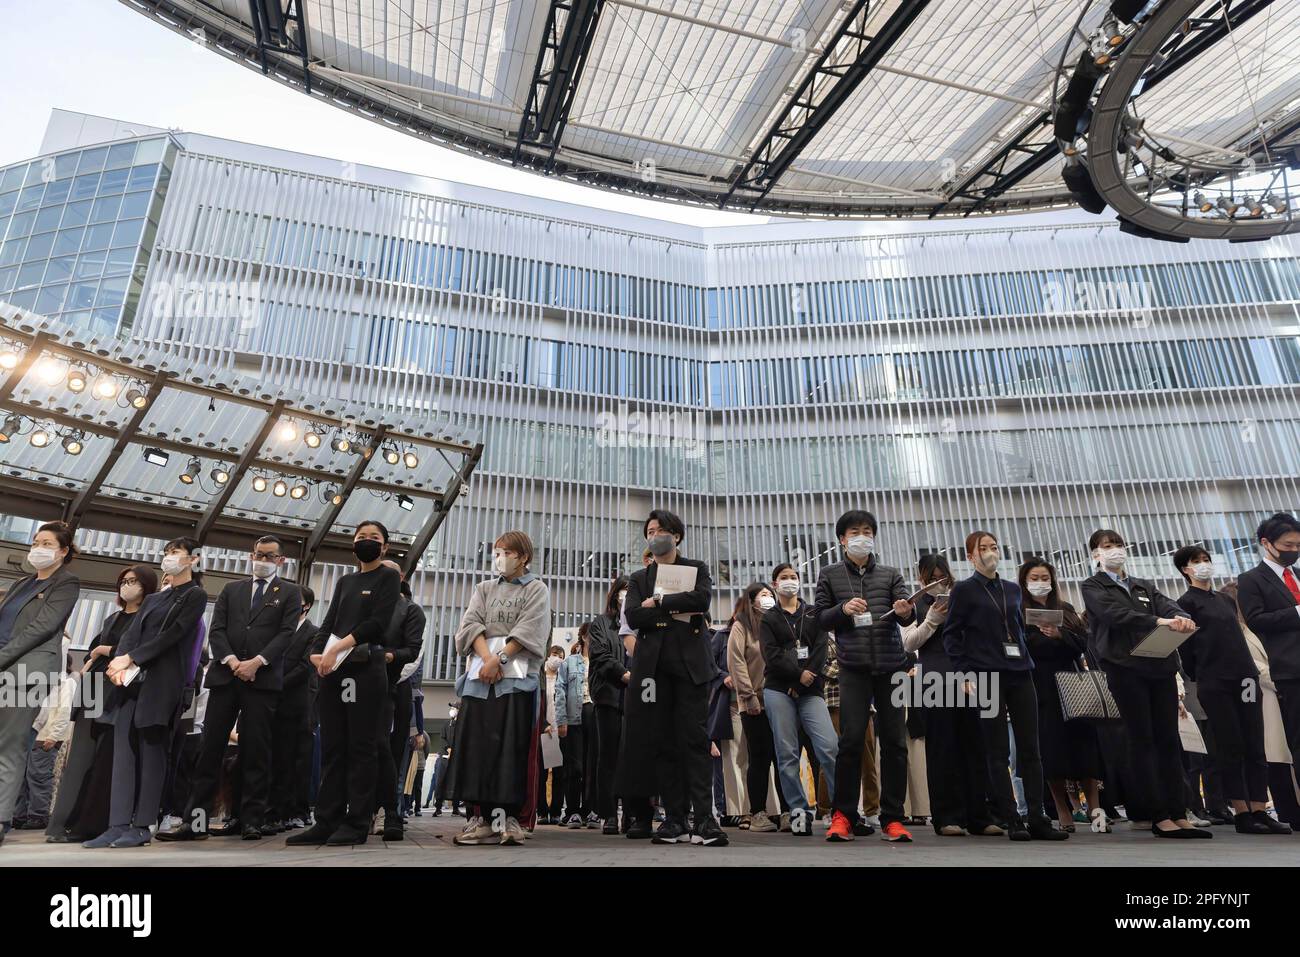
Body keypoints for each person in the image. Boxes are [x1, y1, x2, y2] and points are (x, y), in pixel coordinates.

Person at [158, 535, 303, 842]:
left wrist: (257, 662)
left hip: (261, 681)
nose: (261, 560)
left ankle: (250, 820)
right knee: (209, 750)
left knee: (255, 752)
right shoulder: (231, 589)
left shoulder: (289, 592)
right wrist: (233, 660)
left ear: (280, 560)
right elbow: (217, 630)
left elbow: (287, 633)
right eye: (257, 554)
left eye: (268, 556)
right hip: (226, 676)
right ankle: (194, 822)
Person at [1079, 528, 1207, 839]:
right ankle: (1157, 814)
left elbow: (1168, 606)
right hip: (1124, 668)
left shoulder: (1143, 585)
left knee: (1168, 740)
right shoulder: (1092, 586)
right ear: (1095, 554)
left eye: (1118, 544)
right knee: (1142, 740)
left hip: (1159, 665)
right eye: (1107, 546)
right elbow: (1114, 615)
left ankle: (1179, 811)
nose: (1115, 550)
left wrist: (1179, 617)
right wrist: (1157, 621)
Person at [944, 531, 1067, 841]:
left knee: (1031, 748)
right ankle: (1012, 819)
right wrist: (965, 673)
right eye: (982, 548)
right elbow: (951, 635)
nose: (990, 552)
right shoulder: (963, 590)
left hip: (1020, 671)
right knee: (998, 751)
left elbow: (1015, 628)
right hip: (985, 675)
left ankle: (1038, 816)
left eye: (994, 547)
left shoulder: (1013, 589)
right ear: (971, 556)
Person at [86, 537, 207, 848]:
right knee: (123, 753)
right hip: (131, 681)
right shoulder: (154, 600)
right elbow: (130, 633)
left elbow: (174, 634)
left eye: (176, 553)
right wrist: (118, 663)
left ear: (193, 560)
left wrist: (132, 657)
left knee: (152, 755)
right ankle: (117, 824)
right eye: (167, 553)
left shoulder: (195, 595)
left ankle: (142, 825)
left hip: (163, 683)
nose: (169, 558)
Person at [287, 521, 401, 846]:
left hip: (365, 669)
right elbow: (330, 620)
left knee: (362, 747)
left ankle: (357, 821)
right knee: (333, 747)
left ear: (385, 546)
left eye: (374, 538)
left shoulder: (388, 577)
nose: (366, 542)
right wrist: (315, 651)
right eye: (361, 537)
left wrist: (338, 646)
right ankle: (326, 820)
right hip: (333, 671)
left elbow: (376, 624)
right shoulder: (346, 580)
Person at [617, 509, 726, 846]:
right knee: (663, 743)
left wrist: (660, 602)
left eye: (661, 529)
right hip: (654, 670)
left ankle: (704, 820)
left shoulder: (696, 569)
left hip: (691, 666)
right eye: (650, 530)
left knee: (695, 742)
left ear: (676, 535)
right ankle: (674, 820)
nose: (655, 535)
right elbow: (634, 615)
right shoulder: (638, 578)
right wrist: (675, 609)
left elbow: (702, 599)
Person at [814, 509, 915, 843]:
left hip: (890, 666)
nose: (862, 536)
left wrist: (906, 610)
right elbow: (821, 619)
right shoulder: (829, 574)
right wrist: (843, 610)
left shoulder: (889, 574)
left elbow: (905, 612)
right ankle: (843, 815)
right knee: (851, 741)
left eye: (868, 530)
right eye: (855, 531)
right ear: (842, 539)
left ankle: (892, 817)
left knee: (896, 743)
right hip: (853, 667)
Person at [1174, 546, 1289, 834]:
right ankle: (1241, 811)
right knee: (1231, 745)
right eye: (1195, 562)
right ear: (1185, 570)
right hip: (1215, 681)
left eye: (1206, 560)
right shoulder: (1186, 602)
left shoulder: (1226, 600)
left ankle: (1260, 808)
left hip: (1246, 678)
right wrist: (1201, 672)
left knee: (1254, 743)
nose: (1203, 565)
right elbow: (1186, 651)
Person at [446, 530, 551, 847]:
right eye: (497, 552)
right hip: (481, 678)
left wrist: (501, 658)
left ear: (523, 557)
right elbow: (470, 624)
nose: (500, 557)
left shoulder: (536, 589)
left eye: (507, 552)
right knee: (479, 749)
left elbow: (530, 628)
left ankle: (511, 820)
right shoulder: (483, 588)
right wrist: (487, 659)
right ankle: (481, 819)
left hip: (517, 681)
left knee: (512, 749)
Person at [48, 565, 158, 842]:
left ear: (147, 586)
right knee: (78, 761)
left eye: (133, 581)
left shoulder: (148, 618)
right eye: (124, 580)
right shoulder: (112, 618)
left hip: (119, 691)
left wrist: (103, 650)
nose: (127, 585)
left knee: (106, 762)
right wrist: (98, 653)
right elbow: (94, 652)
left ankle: (94, 824)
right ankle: (62, 824)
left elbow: (135, 651)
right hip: (93, 688)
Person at [900, 554, 999, 837]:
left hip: (970, 675)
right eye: (931, 577)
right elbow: (909, 644)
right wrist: (931, 620)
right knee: (943, 748)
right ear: (921, 578)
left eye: (941, 575)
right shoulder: (913, 603)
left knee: (976, 744)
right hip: (934, 676)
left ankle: (980, 815)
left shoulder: (965, 597)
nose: (937, 581)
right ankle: (946, 817)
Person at [0, 521, 81, 846]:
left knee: (10, 745)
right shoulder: (21, 583)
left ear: (63, 551)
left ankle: (2, 816)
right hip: (5, 664)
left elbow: (42, 628)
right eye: (35, 541)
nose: (38, 548)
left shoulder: (67, 582)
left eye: (47, 543)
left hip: (26, 671)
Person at [1019, 558, 1105, 833]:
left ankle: (1095, 810)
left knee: (1085, 749)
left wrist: (1059, 635)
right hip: (1041, 688)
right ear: (1024, 581)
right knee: (1051, 752)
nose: (1040, 582)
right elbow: (1024, 647)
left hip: (1073, 684)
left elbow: (1082, 644)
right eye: (1034, 577)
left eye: (1045, 577)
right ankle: (1063, 811)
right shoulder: (1019, 611)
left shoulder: (1065, 609)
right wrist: (1046, 640)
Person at [759, 563, 837, 836]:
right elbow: (771, 655)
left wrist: (807, 677)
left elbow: (820, 649)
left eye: (793, 577)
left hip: (811, 690)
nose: (789, 581)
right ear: (774, 584)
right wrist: (796, 678)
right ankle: (799, 812)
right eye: (784, 578)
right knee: (787, 753)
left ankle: (842, 810)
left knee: (829, 746)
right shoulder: (769, 618)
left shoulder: (814, 613)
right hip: (779, 689)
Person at [1225, 581, 1300, 828]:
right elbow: (1254, 665)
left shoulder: (1257, 629)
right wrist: (1280, 677)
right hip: (1267, 693)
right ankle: (1290, 812)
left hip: (1281, 692)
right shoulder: (1237, 632)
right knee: (1276, 757)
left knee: (1285, 754)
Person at [1237, 513, 1300, 777]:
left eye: (1298, 546)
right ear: (1267, 543)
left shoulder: (1297, 574)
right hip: (1291, 669)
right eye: (1288, 545)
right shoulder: (1251, 579)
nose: (1294, 551)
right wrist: (1296, 612)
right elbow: (1256, 620)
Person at [372, 559, 425, 841]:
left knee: (391, 750)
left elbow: (412, 657)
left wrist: (385, 670)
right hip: (365, 685)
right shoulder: (366, 601)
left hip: (397, 685)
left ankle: (387, 808)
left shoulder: (412, 610)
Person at [728, 582, 787, 831]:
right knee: (760, 757)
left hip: (781, 700)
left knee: (783, 757)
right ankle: (758, 813)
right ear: (751, 600)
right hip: (754, 703)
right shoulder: (742, 626)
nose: (768, 598)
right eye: (763, 595)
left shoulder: (779, 623)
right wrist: (748, 696)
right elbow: (736, 661)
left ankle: (788, 812)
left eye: (770, 594)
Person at [270, 585, 316, 829]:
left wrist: (275, 683)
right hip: (272, 703)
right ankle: (276, 809)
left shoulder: (313, 632)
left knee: (299, 759)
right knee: (278, 757)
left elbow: (305, 667)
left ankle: (298, 810)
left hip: (299, 704)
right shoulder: (276, 630)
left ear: (306, 605)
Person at [587, 576, 629, 834]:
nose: (626, 595)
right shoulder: (601, 623)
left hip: (636, 697)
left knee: (633, 757)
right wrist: (624, 674)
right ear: (614, 594)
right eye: (623, 590)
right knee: (608, 757)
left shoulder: (638, 623)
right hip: (608, 695)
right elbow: (600, 656)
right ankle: (609, 813)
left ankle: (633, 812)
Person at [555, 625, 595, 827]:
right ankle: (572, 811)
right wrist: (561, 720)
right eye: (589, 634)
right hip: (573, 717)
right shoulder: (569, 663)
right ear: (583, 637)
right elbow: (559, 691)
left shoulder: (600, 662)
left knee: (591, 766)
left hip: (594, 715)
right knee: (574, 766)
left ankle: (590, 810)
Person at [538, 645, 566, 824]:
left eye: (561, 656)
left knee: (559, 772)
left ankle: (555, 811)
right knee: (541, 772)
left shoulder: (562, 679)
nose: (557, 659)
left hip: (559, 728)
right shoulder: (542, 679)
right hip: (544, 728)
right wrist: (543, 724)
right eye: (555, 655)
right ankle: (541, 811)